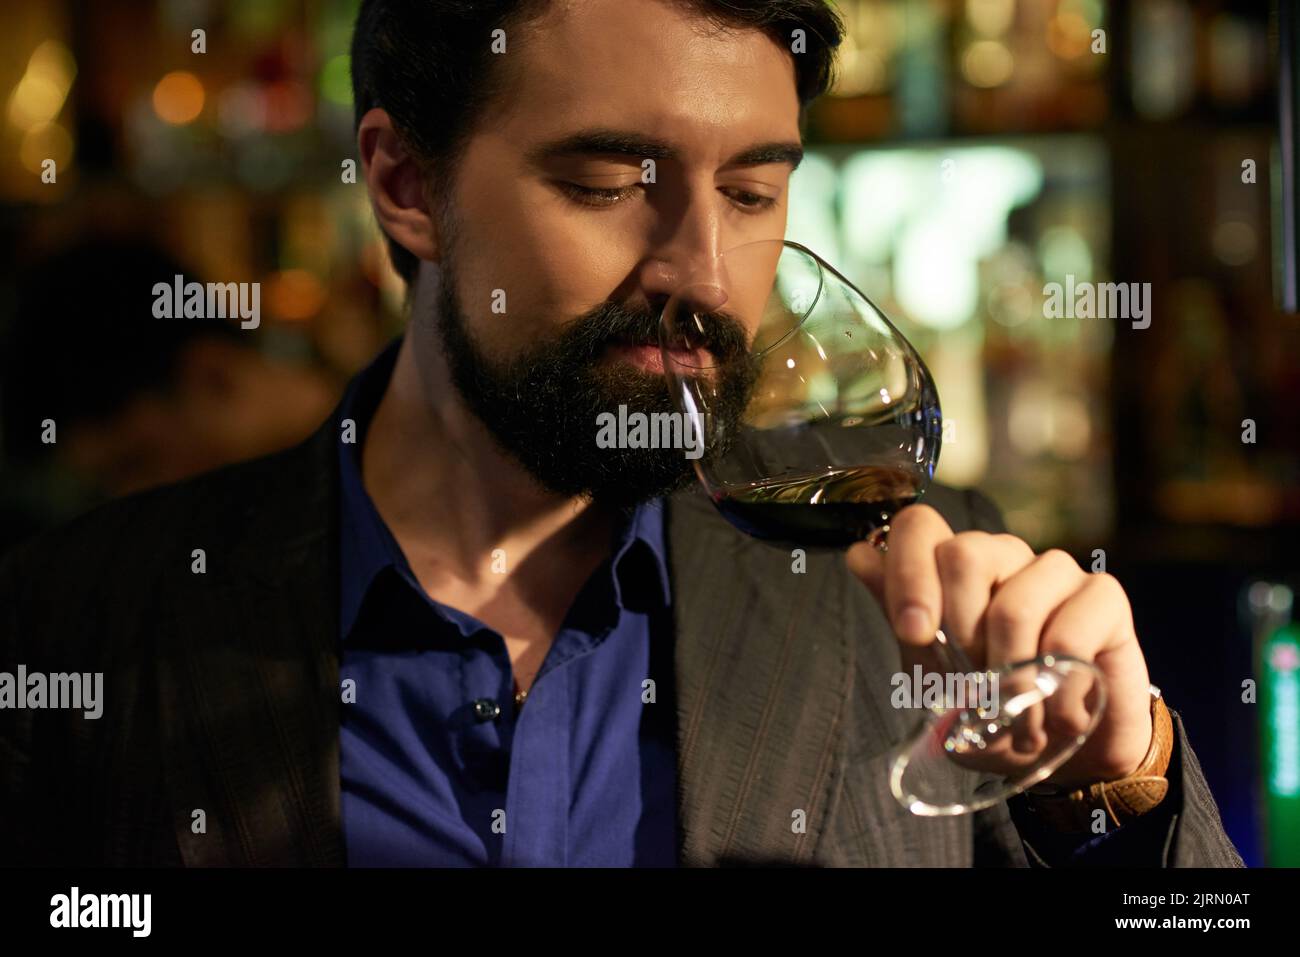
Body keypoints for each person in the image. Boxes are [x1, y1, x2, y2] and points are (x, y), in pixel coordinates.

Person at [0, 0, 1242, 867]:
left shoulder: (925, 596)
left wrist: (1111, 784)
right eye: (605, 186)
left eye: (753, 193)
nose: (702, 270)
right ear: (404, 185)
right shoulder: (84, 621)